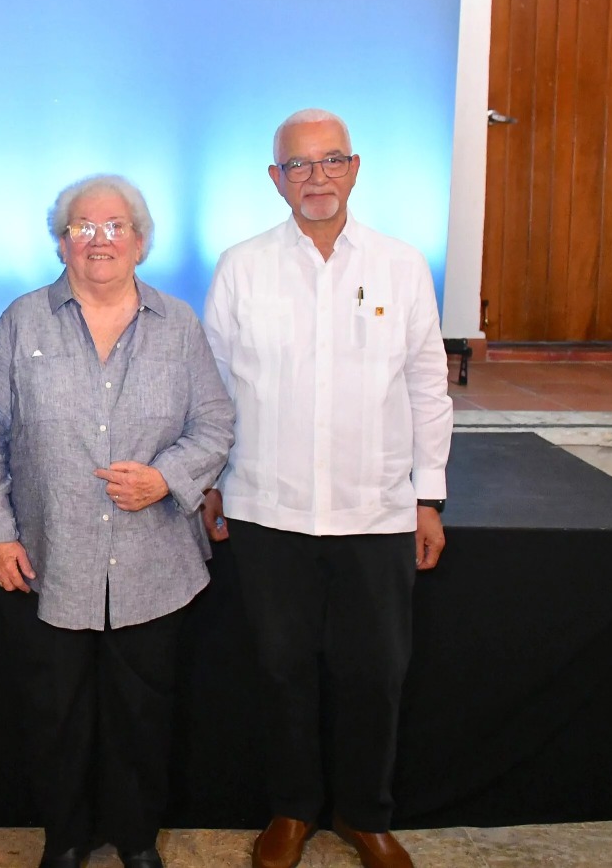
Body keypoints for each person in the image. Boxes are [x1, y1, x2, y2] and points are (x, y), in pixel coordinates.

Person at [0, 175, 235, 868]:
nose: (99, 238)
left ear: (141, 241)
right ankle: (66, 836)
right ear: (61, 242)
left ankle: (137, 839)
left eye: (116, 226)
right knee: (56, 717)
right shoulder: (23, 321)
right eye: (83, 226)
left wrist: (167, 476)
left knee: (143, 717)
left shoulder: (180, 325)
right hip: (48, 556)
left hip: (154, 562)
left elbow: (216, 422)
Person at [201, 108, 452, 868]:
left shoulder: (402, 265)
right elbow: (211, 387)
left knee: (375, 672)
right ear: (275, 179)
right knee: (280, 668)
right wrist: (210, 481)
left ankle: (365, 813)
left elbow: (427, 382)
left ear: (355, 167)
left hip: (374, 508)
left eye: (330, 160)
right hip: (265, 504)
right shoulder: (241, 266)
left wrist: (428, 494)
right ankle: (291, 810)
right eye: (298, 165)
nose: (316, 177)